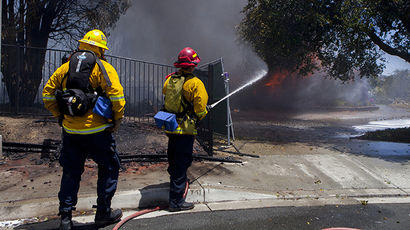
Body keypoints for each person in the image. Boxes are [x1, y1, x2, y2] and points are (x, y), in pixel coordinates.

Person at [42, 29, 126, 229]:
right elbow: (117, 97)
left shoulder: (65, 68)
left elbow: (47, 95)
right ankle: (103, 213)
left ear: (83, 44)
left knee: (71, 171)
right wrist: (117, 120)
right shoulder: (102, 67)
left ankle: (65, 218)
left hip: (71, 132)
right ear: (100, 49)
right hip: (97, 131)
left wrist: (59, 117)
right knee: (109, 166)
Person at [162, 47, 209, 212]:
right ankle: (176, 202)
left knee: (174, 159)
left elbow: (165, 93)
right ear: (193, 65)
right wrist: (201, 115)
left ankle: (176, 180)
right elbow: (200, 108)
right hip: (186, 130)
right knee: (182, 164)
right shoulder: (195, 83)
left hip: (171, 127)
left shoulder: (169, 80)